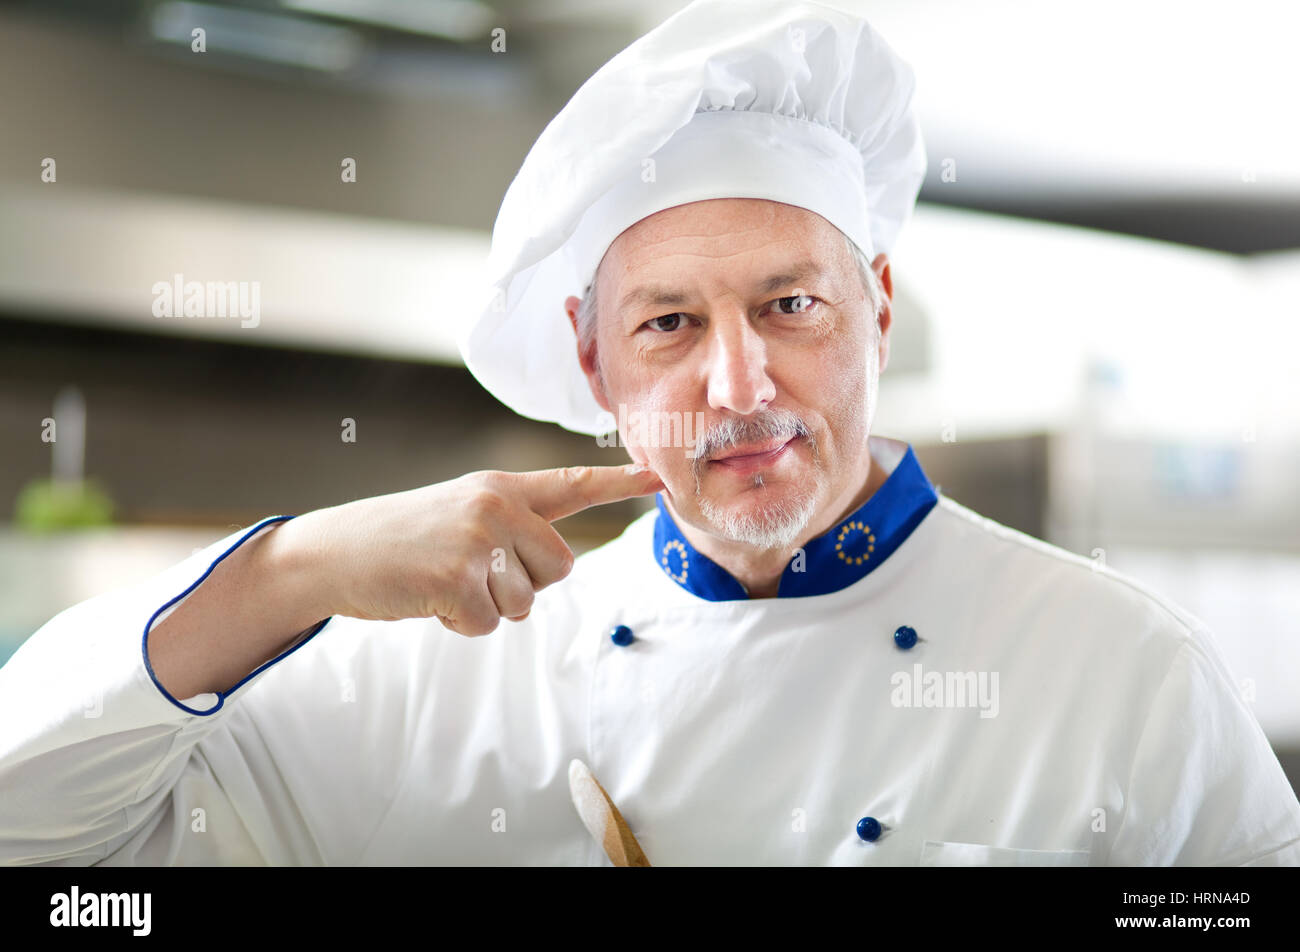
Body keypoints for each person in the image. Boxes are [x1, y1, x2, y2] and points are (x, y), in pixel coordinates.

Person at [2, 0, 1298, 867]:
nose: (738, 385)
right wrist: (297, 570)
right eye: (669, 324)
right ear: (592, 362)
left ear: (879, 309)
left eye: (790, 305)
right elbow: (39, 835)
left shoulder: (1123, 676)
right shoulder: (432, 681)